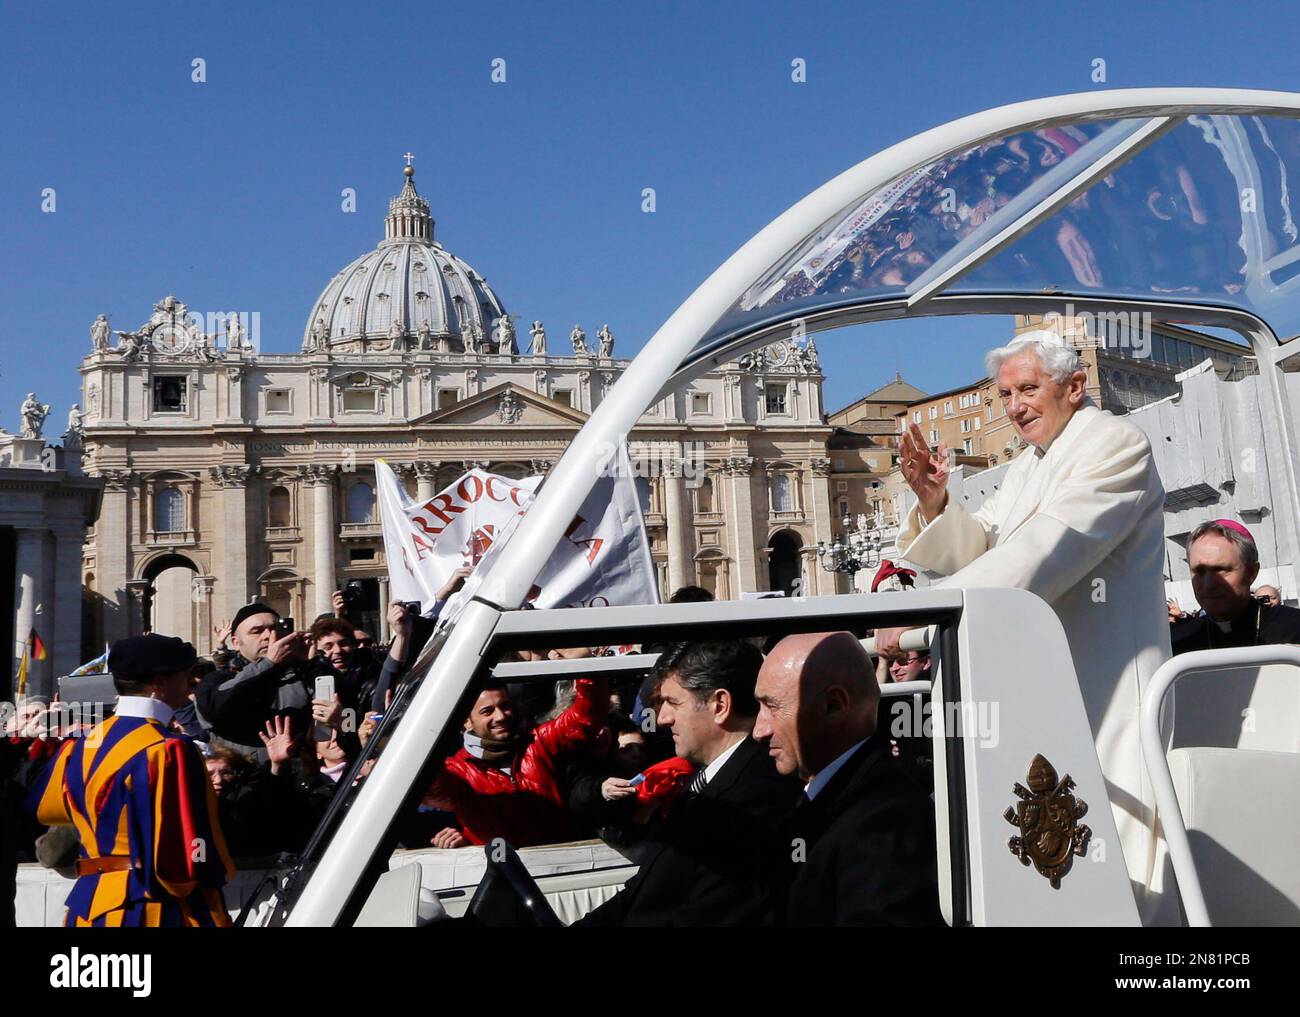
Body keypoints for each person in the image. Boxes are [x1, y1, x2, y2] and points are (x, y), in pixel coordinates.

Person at [875, 329, 1171, 920]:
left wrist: (914, 622)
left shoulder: (1115, 443)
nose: (1014, 407)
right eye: (1005, 394)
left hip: (1109, 673)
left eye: (1028, 389)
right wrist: (935, 503)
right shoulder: (1029, 464)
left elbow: (1037, 554)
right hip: (1049, 679)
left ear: (1076, 386)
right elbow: (983, 543)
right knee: (1059, 844)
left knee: (1125, 840)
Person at [577, 641, 801, 926]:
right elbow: (644, 890)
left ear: (719, 705)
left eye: (673, 703)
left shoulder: (759, 795)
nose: (662, 718)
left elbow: (711, 912)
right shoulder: (705, 783)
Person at [28, 635, 234, 926]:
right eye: (184, 674)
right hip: (151, 906)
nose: (191, 682)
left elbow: (48, 809)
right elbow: (189, 847)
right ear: (158, 685)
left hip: (88, 905)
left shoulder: (80, 743)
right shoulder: (169, 748)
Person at [754, 632, 943, 926]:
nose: (759, 730)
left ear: (834, 705)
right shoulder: (830, 796)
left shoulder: (884, 820)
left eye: (772, 707)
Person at [420, 673, 610, 848]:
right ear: (466, 721)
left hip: (562, 864)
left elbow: (585, 718)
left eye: (505, 706)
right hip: (507, 874)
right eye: (487, 711)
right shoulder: (457, 770)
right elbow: (431, 788)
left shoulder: (538, 741)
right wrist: (470, 837)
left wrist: (586, 670)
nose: (500, 716)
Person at [194, 603, 313, 757]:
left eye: (274, 629)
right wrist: (269, 664)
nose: (268, 636)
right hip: (241, 775)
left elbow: (346, 713)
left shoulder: (302, 675)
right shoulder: (217, 680)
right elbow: (213, 709)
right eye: (256, 631)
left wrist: (312, 664)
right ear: (236, 643)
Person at [1171, 520, 1300, 654]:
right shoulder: (1178, 642)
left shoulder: (1294, 627)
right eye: (1199, 571)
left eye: (1221, 569)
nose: (1208, 585)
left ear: (1251, 573)